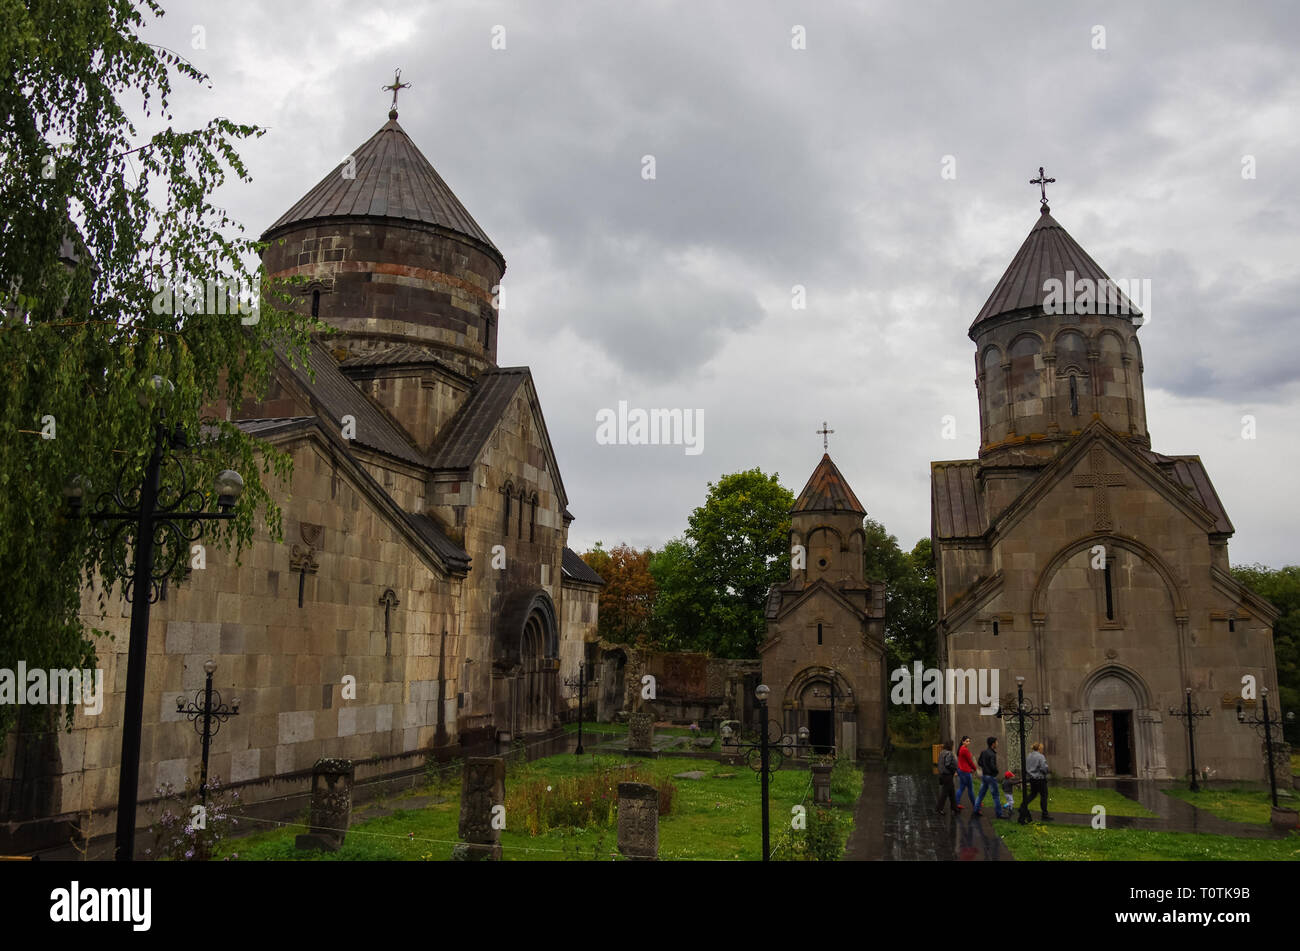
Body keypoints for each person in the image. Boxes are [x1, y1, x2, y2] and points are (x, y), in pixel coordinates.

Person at [973, 736, 1004, 818]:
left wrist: (984, 767)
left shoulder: (983, 752)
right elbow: (992, 766)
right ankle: (999, 814)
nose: (997, 743)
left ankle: (976, 810)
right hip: (991, 777)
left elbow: (979, 763)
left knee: (981, 794)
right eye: (996, 742)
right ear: (993, 744)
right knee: (996, 796)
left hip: (984, 776)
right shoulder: (992, 754)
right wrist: (996, 771)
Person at [1023, 742, 1053, 823]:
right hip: (1040, 779)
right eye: (1042, 748)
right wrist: (1046, 771)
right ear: (1039, 748)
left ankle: (1023, 805)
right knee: (1044, 795)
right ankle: (1045, 814)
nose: (1042, 750)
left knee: (1033, 794)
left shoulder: (1029, 756)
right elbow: (1044, 767)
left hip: (1032, 779)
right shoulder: (1040, 756)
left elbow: (1026, 767)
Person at [936, 740, 959, 815]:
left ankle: (954, 808)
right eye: (952, 745)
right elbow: (948, 764)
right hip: (947, 775)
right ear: (950, 746)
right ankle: (939, 809)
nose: (953, 746)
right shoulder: (949, 753)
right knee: (944, 793)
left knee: (952, 792)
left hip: (943, 774)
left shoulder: (941, 752)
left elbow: (939, 764)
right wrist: (954, 771)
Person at [955, 735, 977, 811]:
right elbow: (970, 761)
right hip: (965, 772)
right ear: (963, 741)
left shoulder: (961, 749)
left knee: (961, 788)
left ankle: (957, 803)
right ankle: (975, 804)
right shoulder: (964, 750)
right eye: (967, 741)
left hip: (962, 770)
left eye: (969, 741)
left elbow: (962, 761)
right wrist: (974, 768)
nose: (968, 743)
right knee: (970, 789)